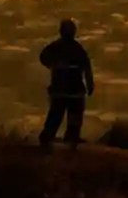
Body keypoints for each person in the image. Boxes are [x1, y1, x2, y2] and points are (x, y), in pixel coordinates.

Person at [38, 18, 94, 148]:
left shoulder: (58, 47)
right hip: (70, 91)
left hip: (64, 90)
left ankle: (54, 137)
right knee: (63, 116)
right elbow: (87, 68)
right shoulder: (76, 48)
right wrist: (90, 85)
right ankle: (59, 138)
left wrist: (54, 64)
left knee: (59, 116)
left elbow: (86, 68)